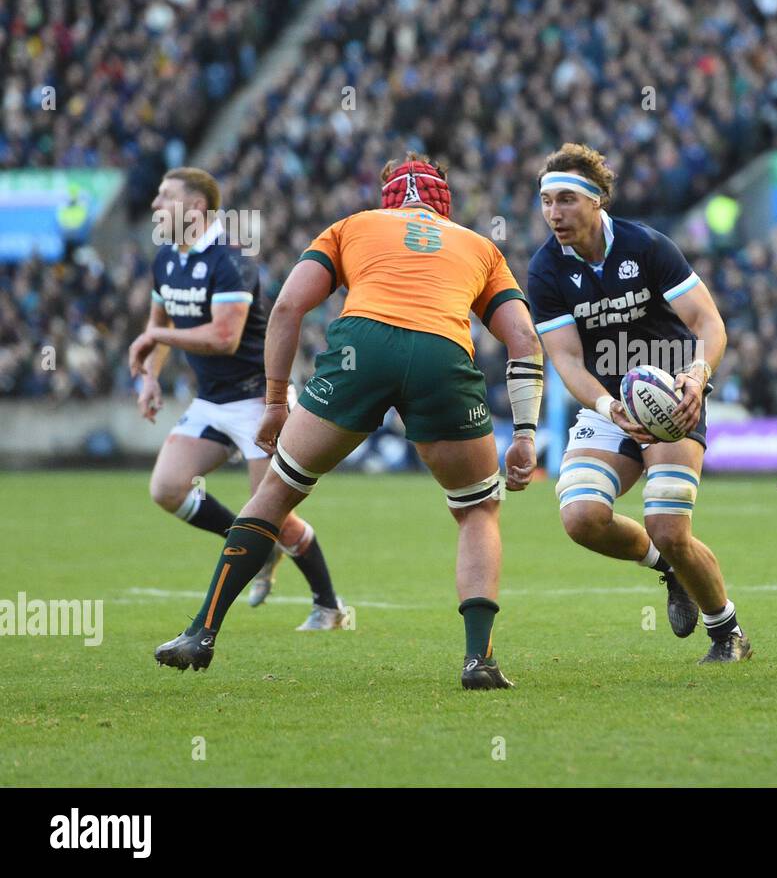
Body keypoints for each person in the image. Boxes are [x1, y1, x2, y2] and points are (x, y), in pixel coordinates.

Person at [152, 154, 543, 690]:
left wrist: (274, 402)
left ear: (388, 198)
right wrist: (524, 434)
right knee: (478, 509)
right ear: (444, 201)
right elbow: (523, 341)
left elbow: (289, 306)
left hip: (363, 348)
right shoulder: (480, 246)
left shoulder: (352, 226)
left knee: (276, 492)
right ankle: (480, 661)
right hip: (441, 357)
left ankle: (202, 632)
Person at [527, 143, 751, 664]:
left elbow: (707, 322)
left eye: (566, 200)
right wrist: (609, 409)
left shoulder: (646, 245)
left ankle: (728, 632)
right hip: (608, 403)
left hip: (672, 399)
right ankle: (668, 570)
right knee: (581, 517)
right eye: (546, 202)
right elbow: (567, 362)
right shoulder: (544, 271)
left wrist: (697, 376)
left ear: (598, 200)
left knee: (670, 528)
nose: (554, 214)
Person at [128, 167, 342, 630]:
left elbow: (224, 337)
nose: (155, 205)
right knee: (166, 488)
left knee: (278, 517)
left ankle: (329, 606)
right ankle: (252, 544)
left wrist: (153, 336)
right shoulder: (166, 258)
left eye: (165, 197)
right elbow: (160, 328)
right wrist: (149, 378)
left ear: (196, 207)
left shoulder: (232, 258)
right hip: (211, 402)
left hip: (259, 400)